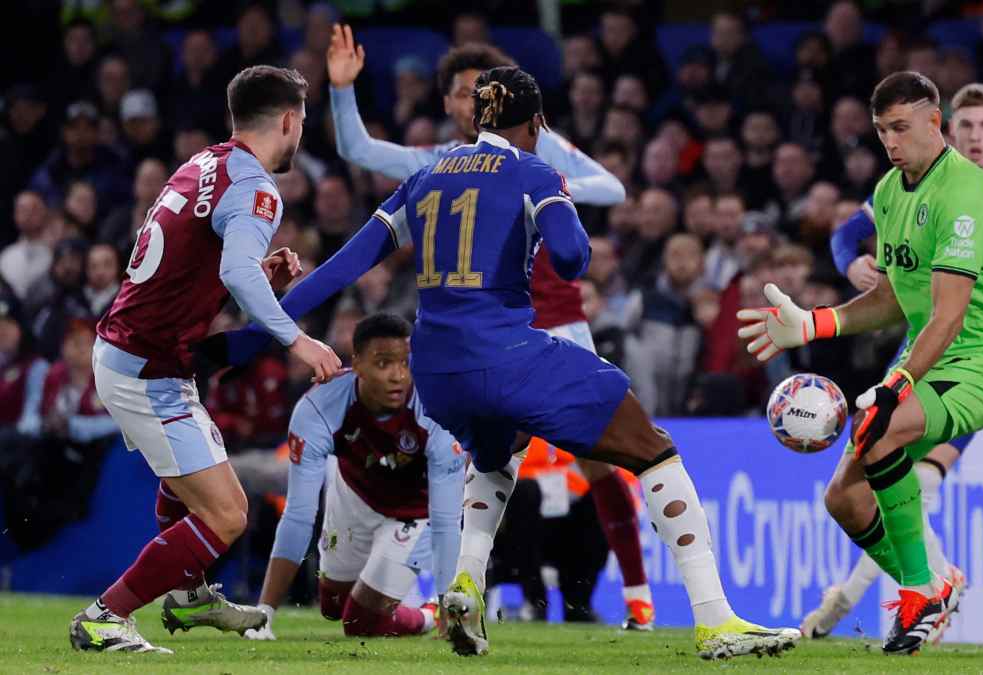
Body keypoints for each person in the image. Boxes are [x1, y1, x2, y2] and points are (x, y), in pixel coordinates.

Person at [207, 65, 801, 660]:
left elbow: (341, 267)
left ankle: (465, 582)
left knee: (498, 454)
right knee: (652, 448)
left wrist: (254, 338)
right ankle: (716, 620)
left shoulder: (425, 176)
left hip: (434, 371)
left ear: (476, 117)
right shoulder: (535, 171)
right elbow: (570, 261)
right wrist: (557, 205)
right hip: (505, 352)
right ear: (537, 123)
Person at [212, 24, 656, 631]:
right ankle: (470, 592)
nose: (471, 100)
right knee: (494, 465)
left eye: (480, 89)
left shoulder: (530, 156)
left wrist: (542, 190)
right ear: (451, 102)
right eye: (461, 93)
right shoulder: (435, 164)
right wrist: (344, 92)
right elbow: (363, 153)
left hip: (547, 323)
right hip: (489, 334)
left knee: (589, 462)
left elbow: (612, 186)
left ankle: (635, 597)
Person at [737, 71, 983, 655]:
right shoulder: (893, 193)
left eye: (901, 128)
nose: (892, 142)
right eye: (881, 131)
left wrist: (895, 385)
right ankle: (929, 584)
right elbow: (895, 297)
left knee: (880, 429)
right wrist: (816, 321)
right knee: (843, 500)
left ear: (933, 123)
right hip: (938, 357)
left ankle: (923, 591)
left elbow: (947, 315)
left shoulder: (966, 192)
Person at [70, 65, 342, 654]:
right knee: (226, 515)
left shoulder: (203, 164)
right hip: (148, 370)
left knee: (193, 491)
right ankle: (103, 618)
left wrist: (251, 279)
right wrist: (298, 339)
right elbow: (234, 269)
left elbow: (191, 268)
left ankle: (189, 595)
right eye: (303, 122)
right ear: (290, 120)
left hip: (140, 356)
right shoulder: (257, 188)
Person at [243, 314, 463, 641]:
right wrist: (265, 613)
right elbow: (299, 514)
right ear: (357, 363)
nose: (397, 376)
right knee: (333, 606)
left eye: (404, 363)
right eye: (384, 363)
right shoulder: (319, 407)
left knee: (358, 623)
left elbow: (446, 520)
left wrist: (449, 604)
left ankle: (427, 616)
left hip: (414, 515)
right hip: (353, 497)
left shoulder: (437, 411)